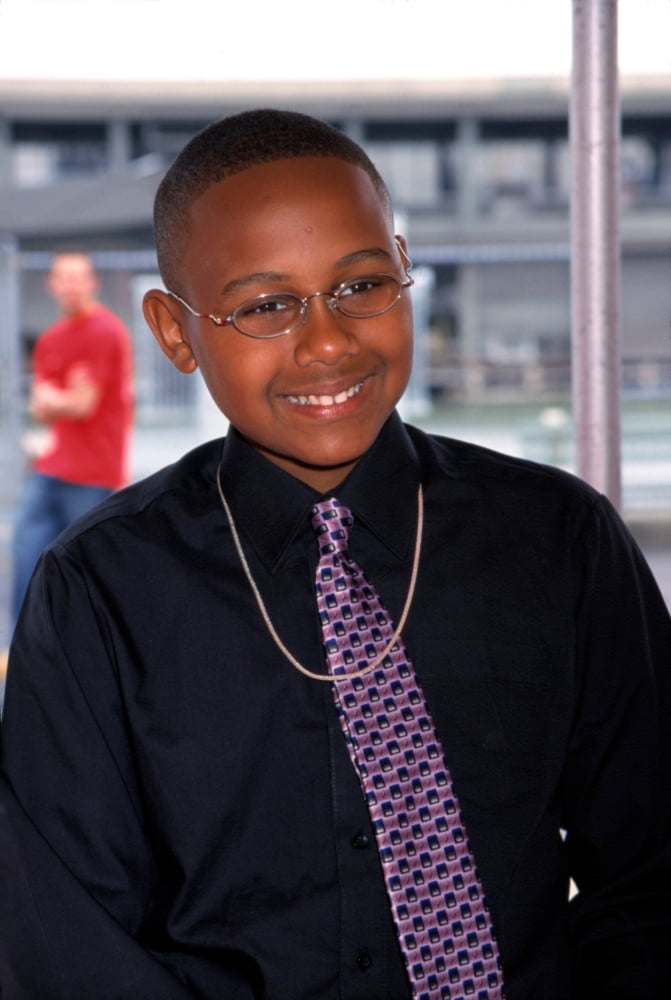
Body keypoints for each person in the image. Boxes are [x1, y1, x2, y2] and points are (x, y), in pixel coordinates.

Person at [0, 109, 669, 1000]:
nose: (326, 342)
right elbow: (67, 936)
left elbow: (653, 867)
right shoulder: (100, 587)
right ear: (173, 332)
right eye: (265, 306)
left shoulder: (560, 541)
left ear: (400, 270)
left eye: (359, 286)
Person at [9, 251, 134, 627]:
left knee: (86, 572)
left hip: (93, 474)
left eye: (78, 277)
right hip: (53, 467)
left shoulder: (104, 331)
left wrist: (56, 399)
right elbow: (40, 408)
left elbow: (82, 404)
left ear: (92, 283)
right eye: (63, 277)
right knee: (25, 556)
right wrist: (58, 400)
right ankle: (23, 650)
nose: (71, 285)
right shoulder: (51, 339)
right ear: (52, 284)